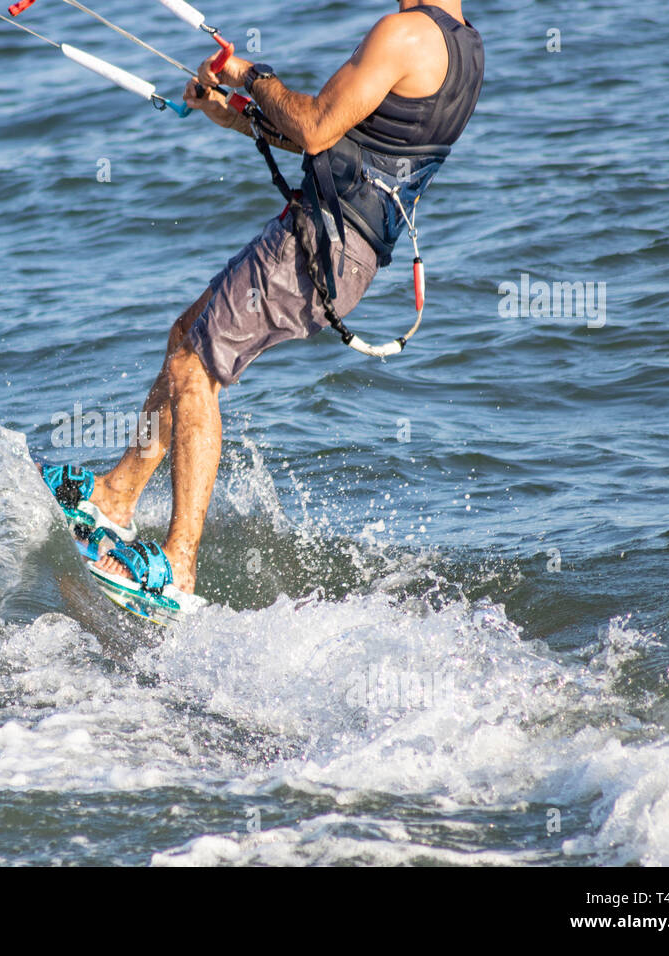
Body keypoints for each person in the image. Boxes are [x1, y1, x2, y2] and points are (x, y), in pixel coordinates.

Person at [42, 1, 484, 609]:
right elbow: (349, 142)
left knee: (194, 368)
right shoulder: (465, 50)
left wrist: (250, 74)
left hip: (320, 243)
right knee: (186, 336)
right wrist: (229, 112)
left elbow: (315, 126)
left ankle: (177, 566)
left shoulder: (404, 33)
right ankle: (116, 495)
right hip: (342, 247)